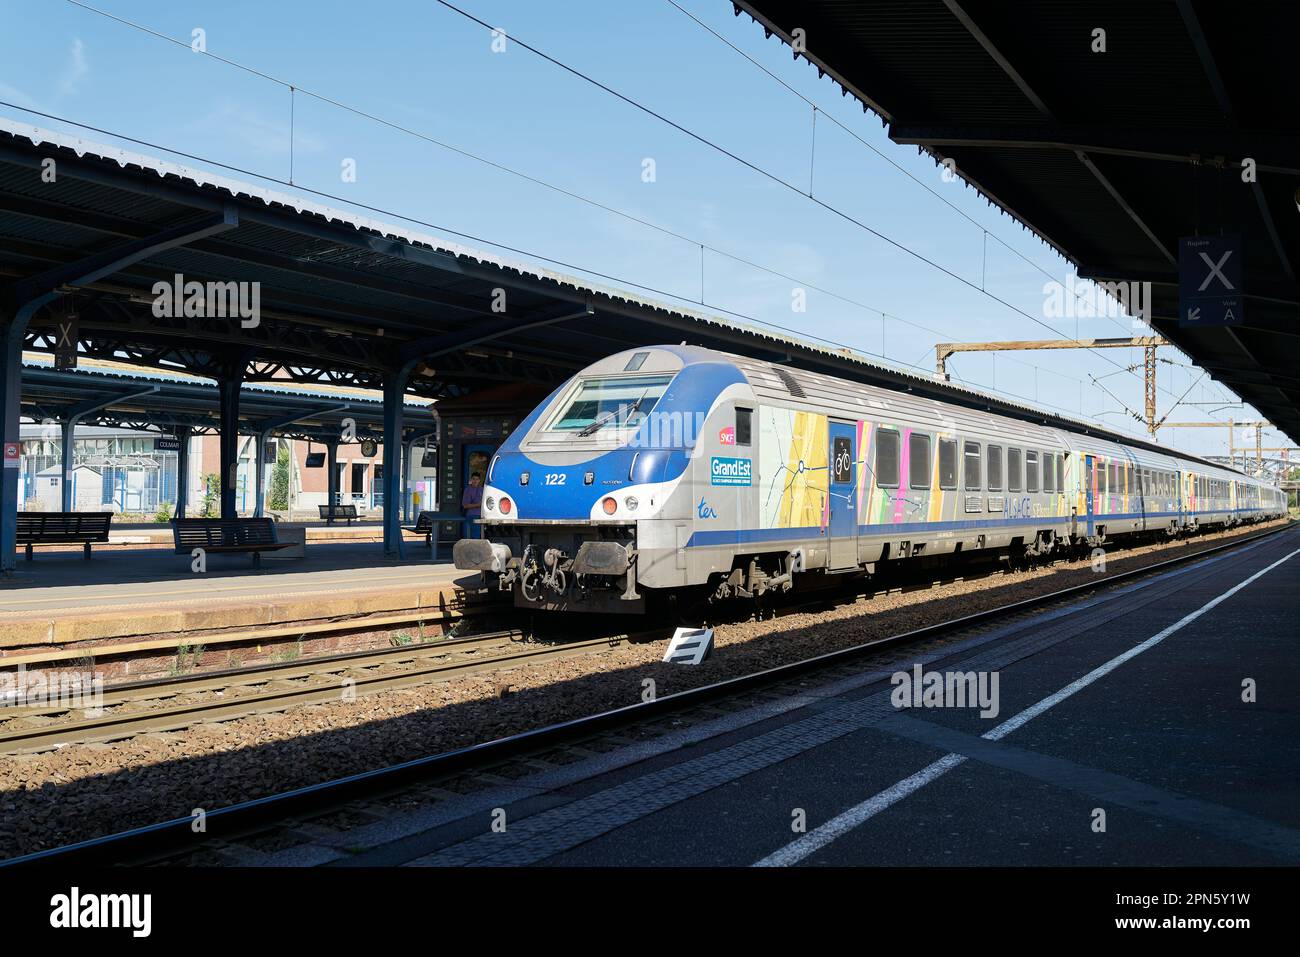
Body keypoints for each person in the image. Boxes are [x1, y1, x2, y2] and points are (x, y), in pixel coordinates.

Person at [462, 472, 484, 538]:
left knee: (479, 536)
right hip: (471, 515)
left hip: (482, 516)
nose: (475, 481)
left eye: (477, 479)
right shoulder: (467, 490)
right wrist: (478, 505)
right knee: (473, 536)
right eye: (474, 479)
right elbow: (465, 505)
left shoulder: (482, 490)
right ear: (471, 479)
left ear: (479, 480)